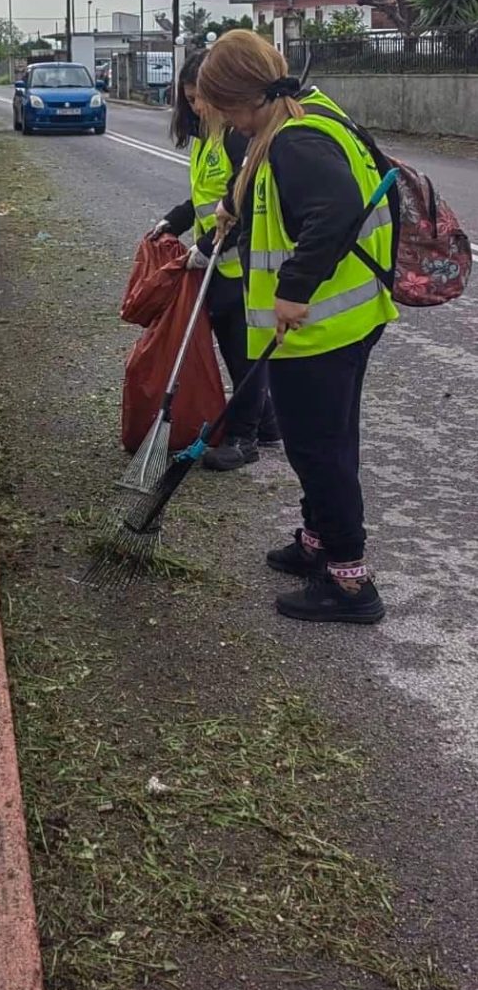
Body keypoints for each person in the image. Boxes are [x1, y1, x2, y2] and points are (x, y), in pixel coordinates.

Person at [196, 31, 397, 626]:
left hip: (321, 329)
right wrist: (234, 204)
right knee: (326, 442)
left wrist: (291, 291)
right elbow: (286, 194)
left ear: (244, 98)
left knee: (320, 450)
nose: (226, 122)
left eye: (226, 109)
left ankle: (348, 579)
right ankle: (318, 539)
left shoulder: (297, 140)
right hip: (345, 321)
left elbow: (331, 210)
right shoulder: (304, 113)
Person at [156, 49, 280, 472]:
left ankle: (244, 439)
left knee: (242, 354)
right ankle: (267, 422)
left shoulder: (234, 137)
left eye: (201, 97)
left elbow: (242, 204)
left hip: (239, 267)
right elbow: (208, 199)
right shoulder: (206, 140)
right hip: (219, 267)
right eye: (190, 99)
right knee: (235, 353)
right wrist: (175, 220)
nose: (197, 107)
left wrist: (206, 248)